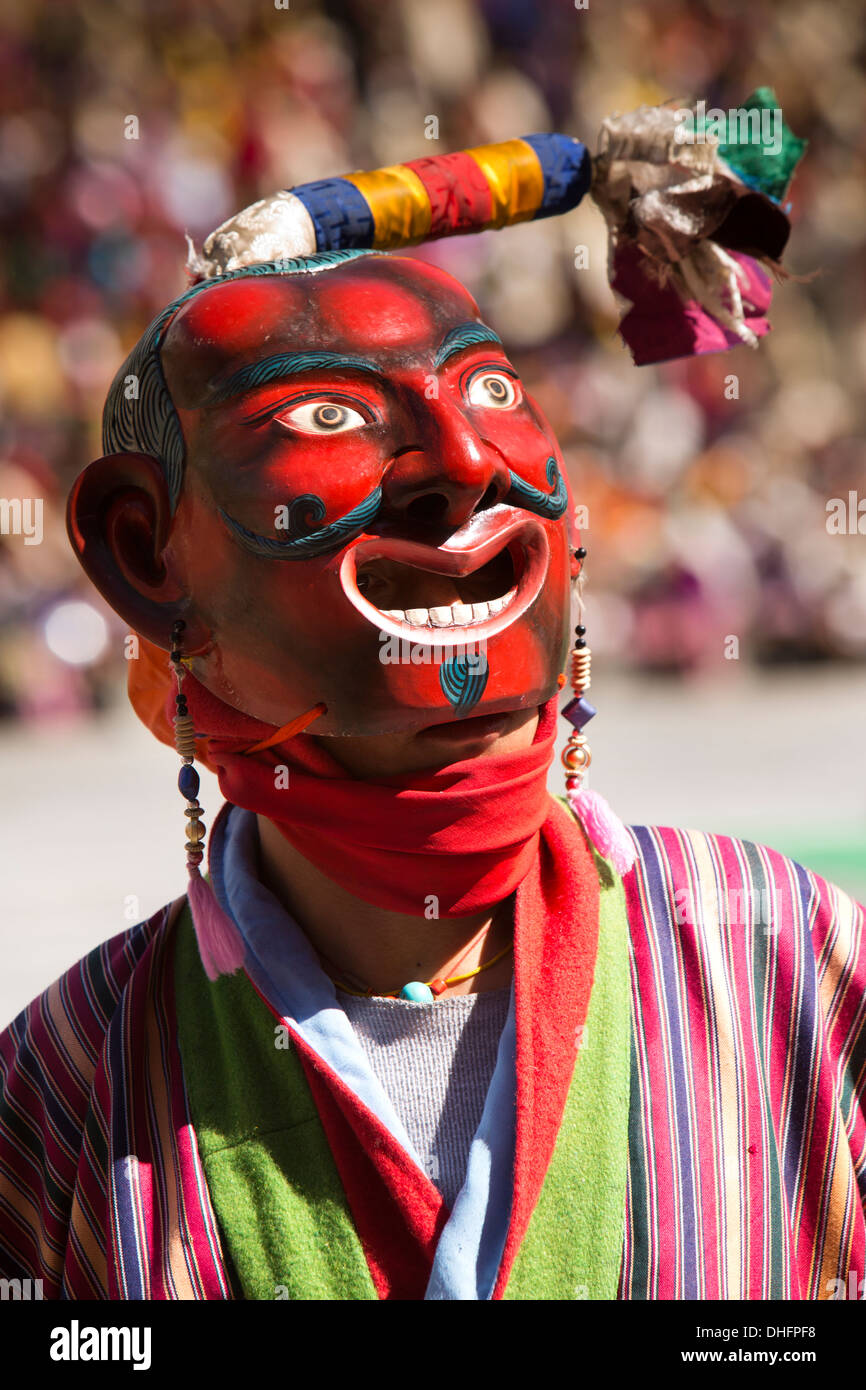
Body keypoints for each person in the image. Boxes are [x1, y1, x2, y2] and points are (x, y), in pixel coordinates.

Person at [2, 119, 863, 1302]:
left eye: (491, 391)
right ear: (147, 555)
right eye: (322, 419)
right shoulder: (66, 1085)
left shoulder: (794, 962)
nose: (461, 458)